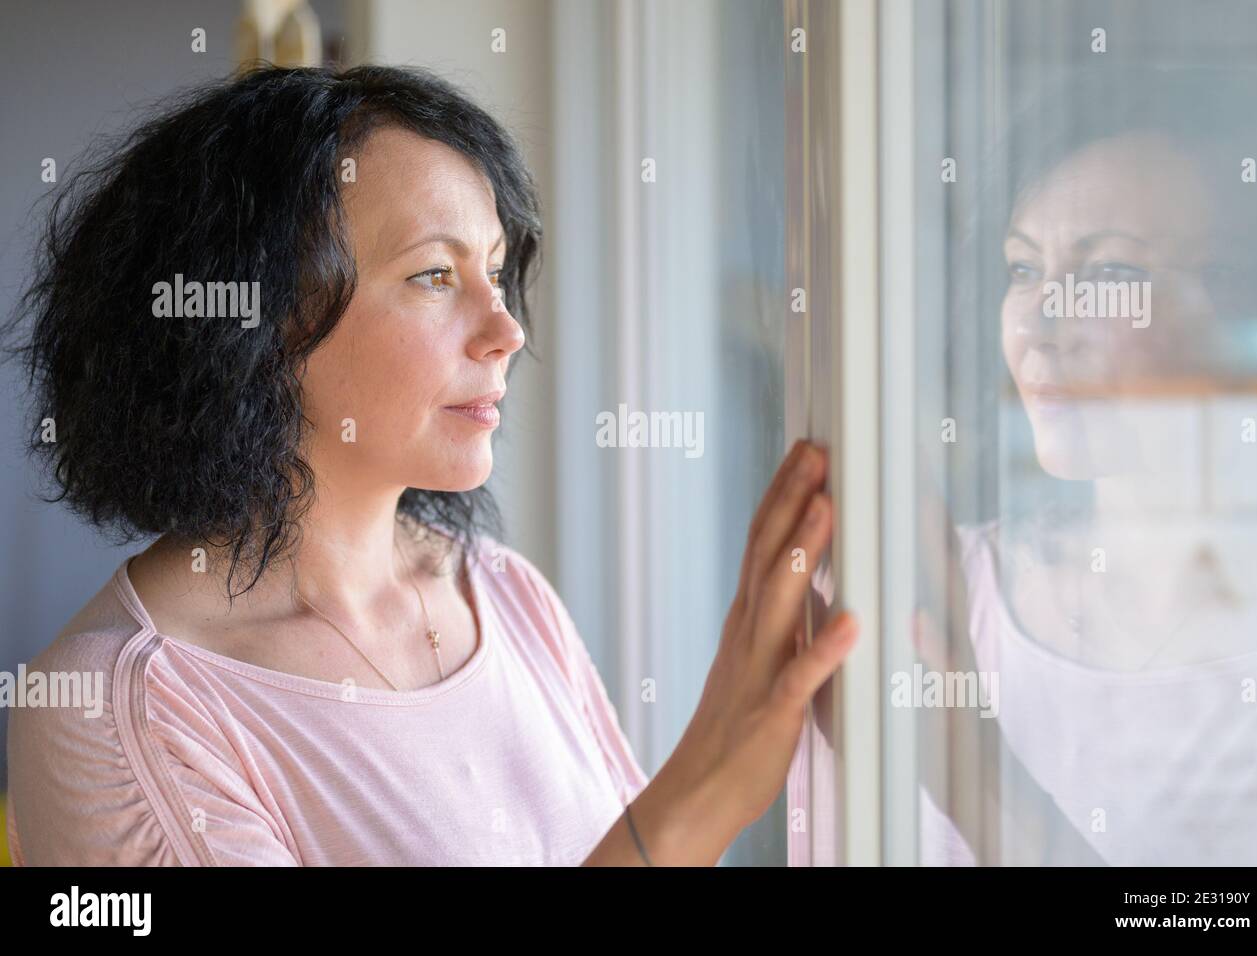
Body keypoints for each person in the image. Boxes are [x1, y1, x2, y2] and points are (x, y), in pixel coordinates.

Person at [2, 65, 857, 866]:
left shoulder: (502, 593)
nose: (507, 329)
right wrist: (703, 793)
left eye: (494, 270)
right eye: (435, 276)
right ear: (252, 331)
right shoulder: (116, 708)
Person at [918, 68, 1257, 865]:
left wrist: (978, 780)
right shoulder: (943, 596)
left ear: (1250, 310)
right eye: (1022, 270)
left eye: (1111, 275)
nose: (1041, 324)